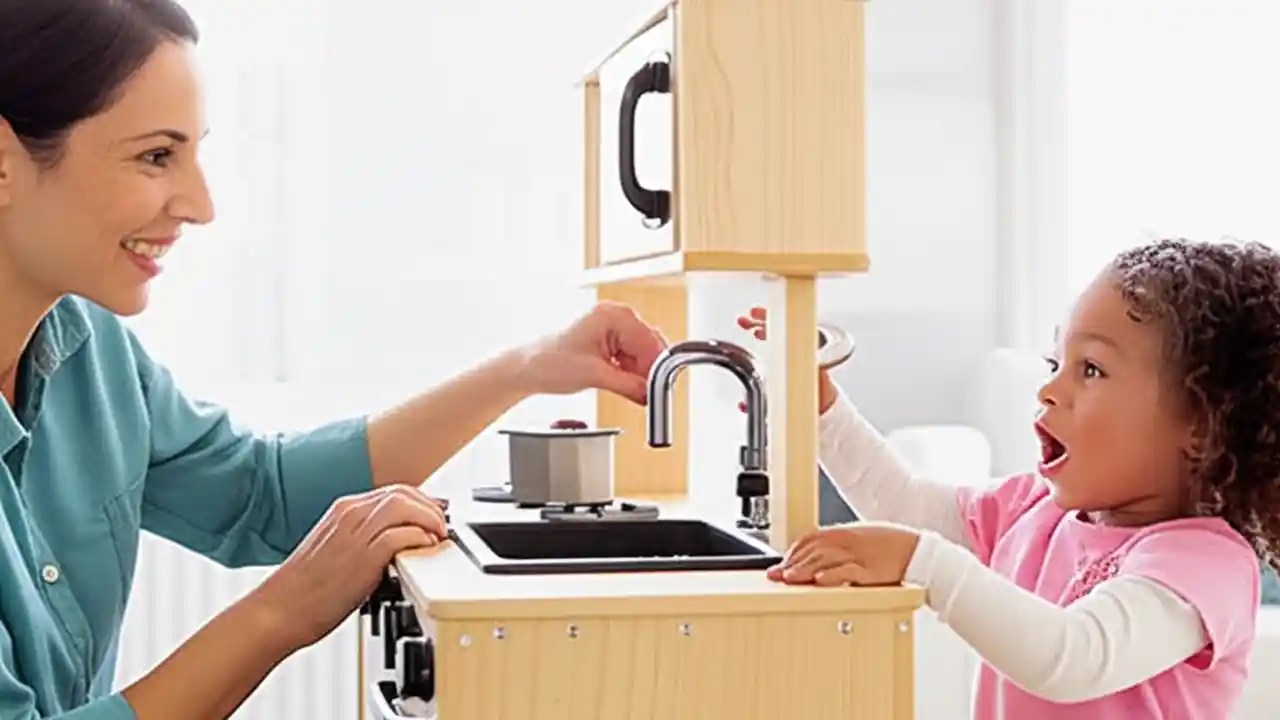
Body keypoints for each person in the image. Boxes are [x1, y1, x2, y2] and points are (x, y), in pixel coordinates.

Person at [0, 1, 667, 718]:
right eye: (156, 156)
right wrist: (282, 612)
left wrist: (531, 366)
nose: (201, 204)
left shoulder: (89, 349)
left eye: (196, 153)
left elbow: (266, 495)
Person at [746, 237, 1280, 719]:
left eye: (1090, 369)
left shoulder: (1203, 564)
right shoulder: (1034, 509)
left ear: (1201, 427)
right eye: (1055, 362)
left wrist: (922, 562)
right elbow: (901, 502)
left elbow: (1074, 657)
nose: (1049, 389)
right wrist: (820, 405)